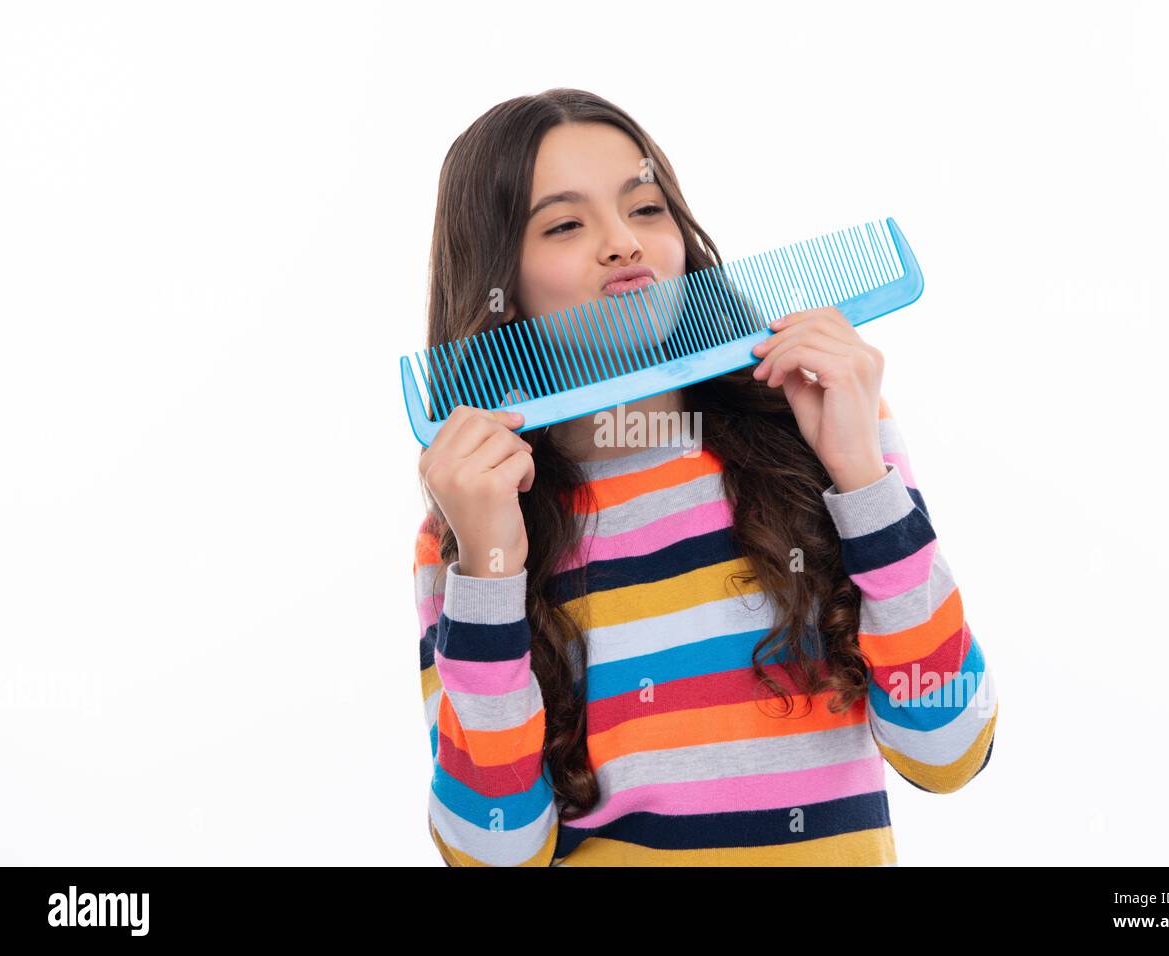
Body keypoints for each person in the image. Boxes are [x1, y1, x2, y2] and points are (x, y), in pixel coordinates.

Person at [412, 88, 998, 866]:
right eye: (564, 224)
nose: (622, 243)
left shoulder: (823, 443)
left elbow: (949, 749)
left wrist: (863, 481)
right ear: (499, 281)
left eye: (645, 209)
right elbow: (493, 851)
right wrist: (489, 574)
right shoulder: (470, 529)